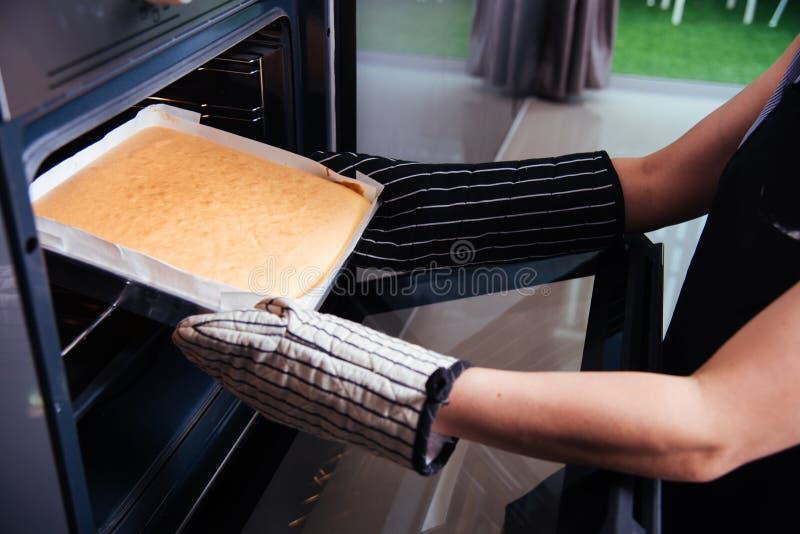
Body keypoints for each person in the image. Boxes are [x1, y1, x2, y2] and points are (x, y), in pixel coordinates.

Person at [172, 35, 800, 531]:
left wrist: (395, 386)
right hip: (663, 417)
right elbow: (667, 178)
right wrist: (429, 203)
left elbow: (715, 425)